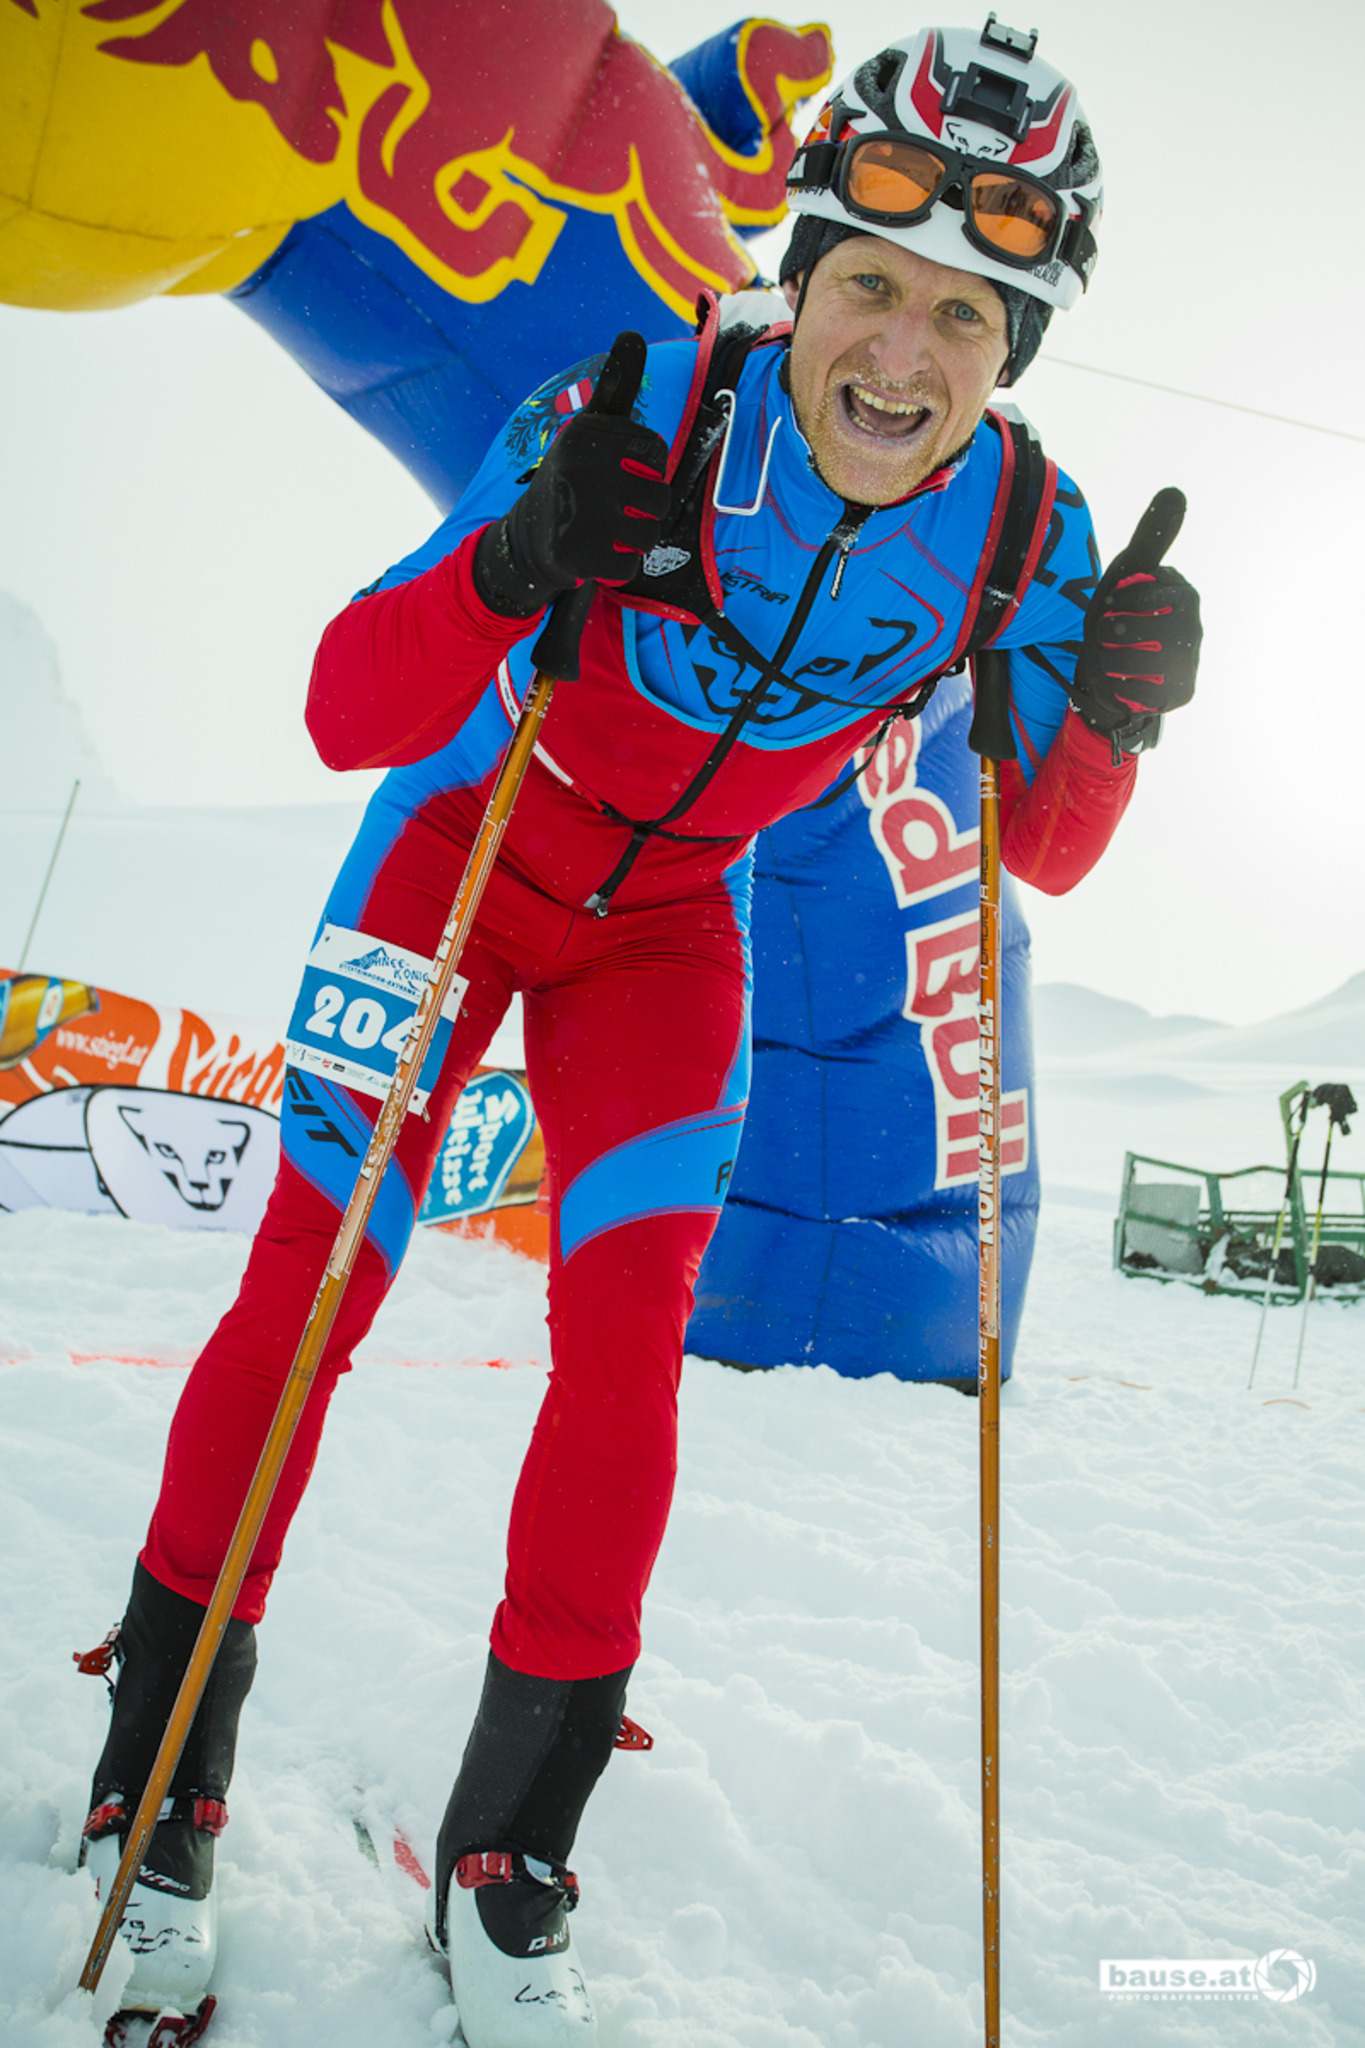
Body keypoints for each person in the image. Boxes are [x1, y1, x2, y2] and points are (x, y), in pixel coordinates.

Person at [78, 19, 1200, 2046]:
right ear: (798, 270)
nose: (897, 350)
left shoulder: (1021, 534)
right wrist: (517, 558)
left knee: (623, 1362)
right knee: (311, 1280)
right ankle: (153, 1786)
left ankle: (510, 1852)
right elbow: (351, 705)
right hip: (463, 854)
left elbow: (1040, 838)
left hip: (666, 940)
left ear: (1011, 341)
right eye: (865, 282)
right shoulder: (644, 401)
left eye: (962, 311)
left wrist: (1111, 715)